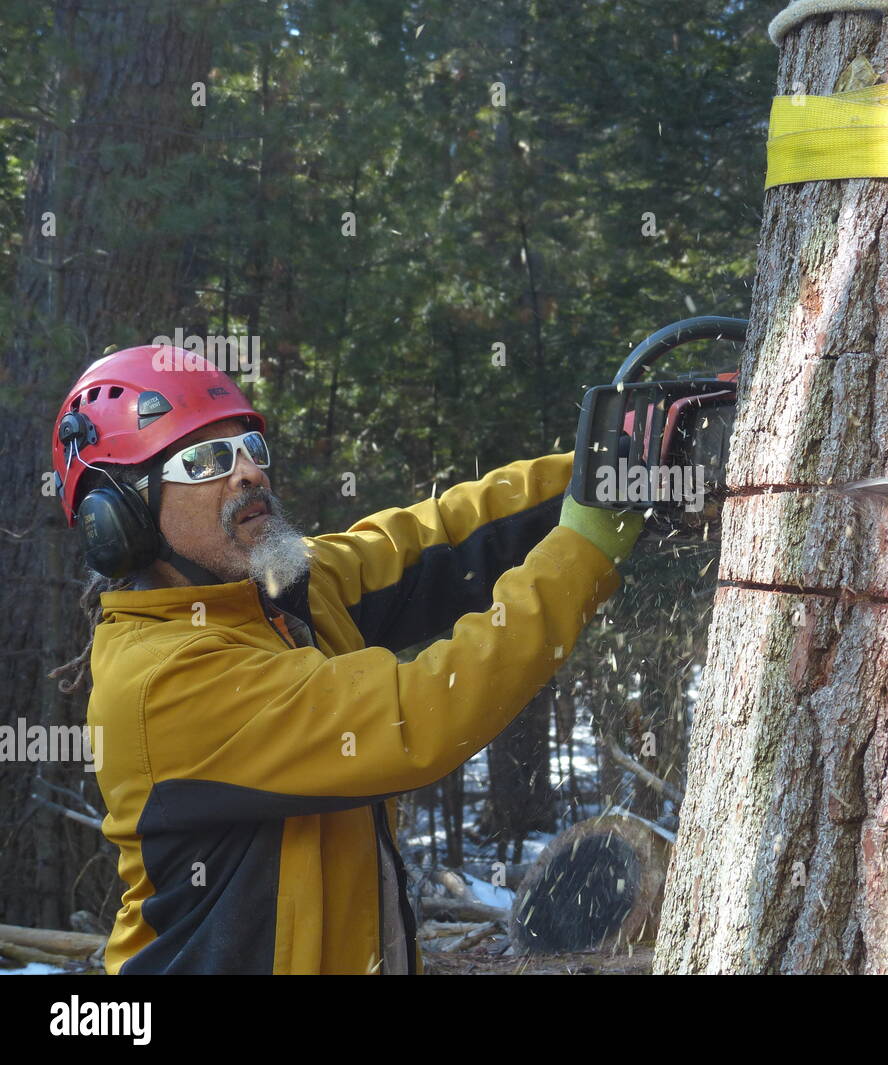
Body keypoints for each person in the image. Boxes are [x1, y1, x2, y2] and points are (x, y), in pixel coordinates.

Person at [51, 344, 643, 974]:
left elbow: (436, 537)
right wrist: (582, 549)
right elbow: (418, 715)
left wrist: (603, 462)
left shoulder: (277, 592)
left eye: (251, 450)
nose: (248, 473)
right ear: (119, 516)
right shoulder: (165, 679)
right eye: (204, 460)